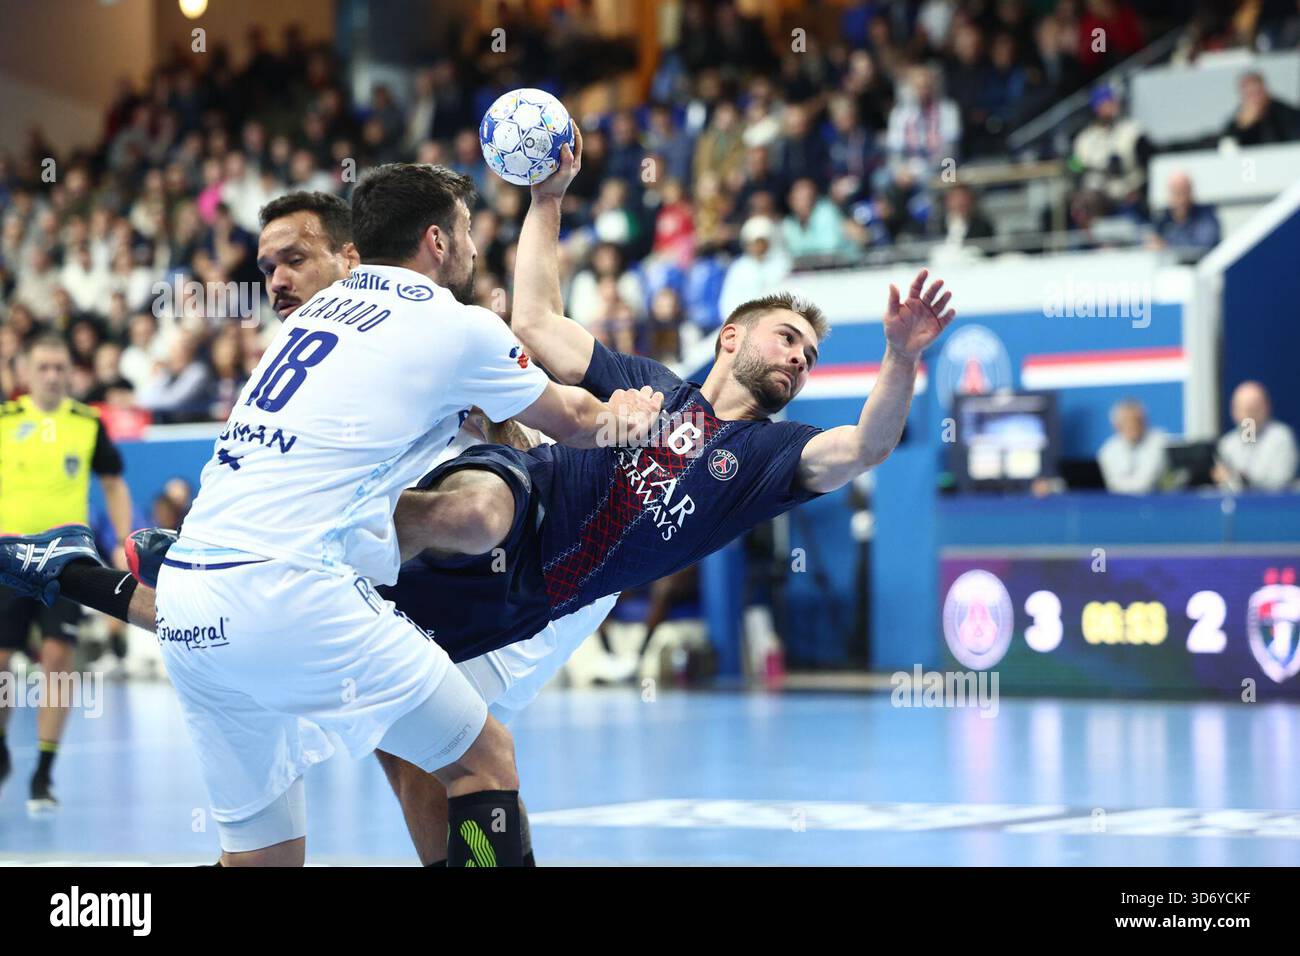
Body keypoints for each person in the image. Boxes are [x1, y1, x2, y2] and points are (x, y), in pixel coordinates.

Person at [2, 167, 663, 868]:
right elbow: (577, 420)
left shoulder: (298, 331)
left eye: (293, 259)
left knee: (264, 862)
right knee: (482, 761)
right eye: (467, 232)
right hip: (295, 598)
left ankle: (76, 575)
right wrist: (630, 412)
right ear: (438, 240)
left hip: (193, 606)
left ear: (353, 255)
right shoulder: (453, 324)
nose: (279, 280)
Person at [0, 335, 133, 811]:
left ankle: (43, 771)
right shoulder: (5, 420)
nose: (52, 375)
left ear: (70, 373)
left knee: (58, 662)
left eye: (60, 367)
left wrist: (123, 542)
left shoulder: (86, 423)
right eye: (44, 367)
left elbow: (114, 483)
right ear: (26, 372)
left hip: (65, 561)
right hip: (6, 557)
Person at [1213, 381, 1298, 491]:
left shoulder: (1281, 437)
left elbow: (1280, 483)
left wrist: (1237, 480)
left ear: (1266, 408)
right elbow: (1223, 485)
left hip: (1270, 506)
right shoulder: (1227, 443)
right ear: (1233, 411)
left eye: (1253, 409)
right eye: (1243, 409)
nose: (1248, 415)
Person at [1096, 398, 1167, 494]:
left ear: (1145, 421)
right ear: (1117, 425)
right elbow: (1111, 485)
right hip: (1120, 504)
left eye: (1137, 421)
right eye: (1126, 421)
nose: (1132, 425)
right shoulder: (1108, 450)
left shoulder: (1162, 443)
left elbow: (1145, 484)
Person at [1148, 170, 1220, 260]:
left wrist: (1167, 248)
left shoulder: (1206, 216)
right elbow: (1152, 243)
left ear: (1190, 192)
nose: (1180, 197)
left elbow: (1204, 248)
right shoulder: (1163, 219)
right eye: (1175, 192)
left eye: (1183, 191)